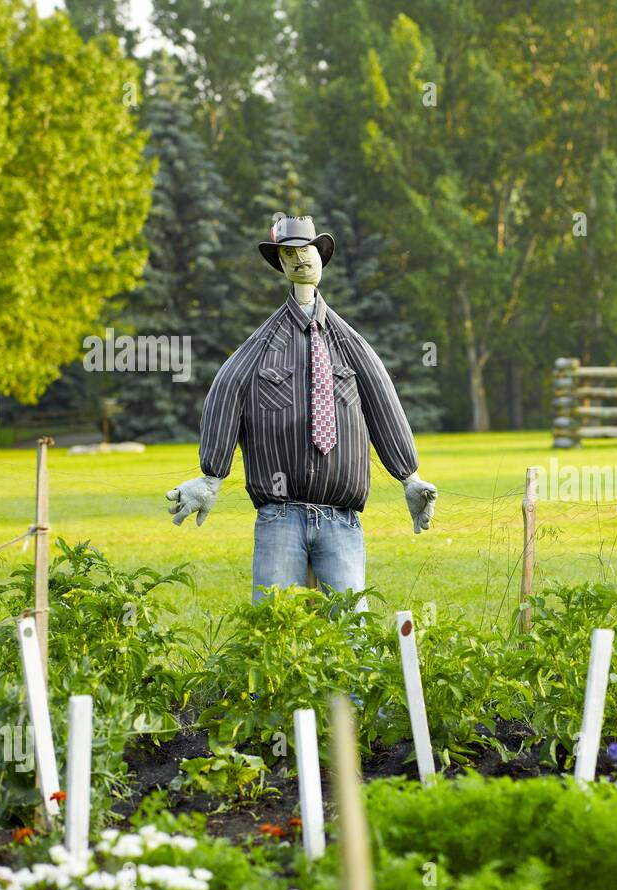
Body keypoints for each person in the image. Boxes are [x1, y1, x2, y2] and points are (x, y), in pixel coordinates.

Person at [165, 213, 437, 604]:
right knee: (275, 627)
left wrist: (408, 476)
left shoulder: (350, 345)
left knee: (351, 631)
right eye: (287, 253)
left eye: (305, 249)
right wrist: (211, 476)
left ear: (321, 254)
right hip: (279, 518)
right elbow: (226, 390)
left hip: (341, 520)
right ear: (281, 264)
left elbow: (382, 401)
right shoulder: (261, 345)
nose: (298, 259)